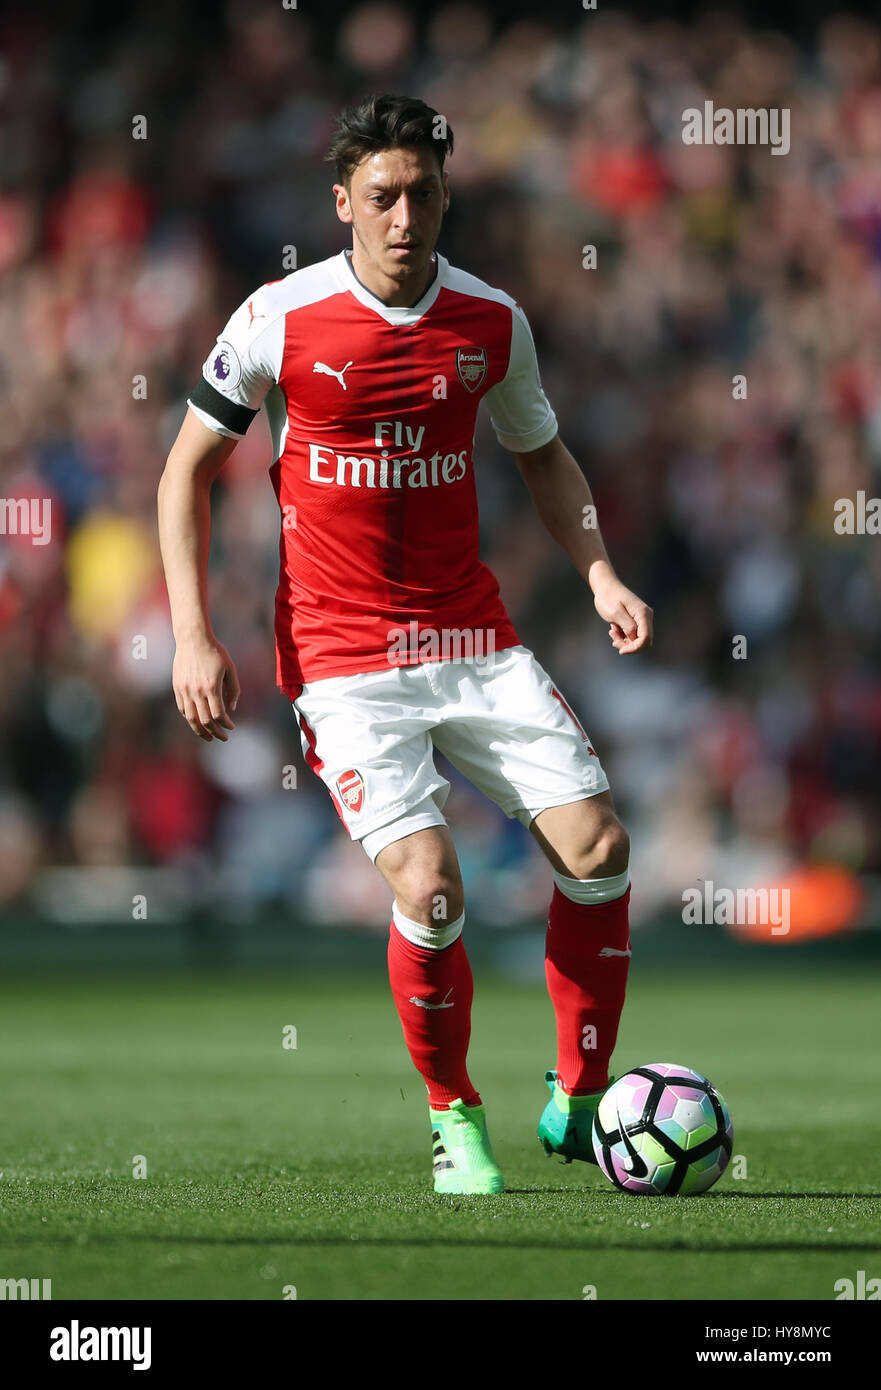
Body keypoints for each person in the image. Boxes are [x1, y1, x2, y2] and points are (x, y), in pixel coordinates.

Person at [157, 93, 653, 1195]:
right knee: (431, 887)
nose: (401, 214)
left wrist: (600, 571)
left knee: (601, 849)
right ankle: (452, 1115)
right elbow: (183, 471)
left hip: (472, 637)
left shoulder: (489, 322)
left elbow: (544, 457)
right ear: (342, 203)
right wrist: (193, 636)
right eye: (379, 195)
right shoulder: (277, 319)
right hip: (341, 658)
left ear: (444, 197)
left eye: (420, 192)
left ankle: (578, 1094)